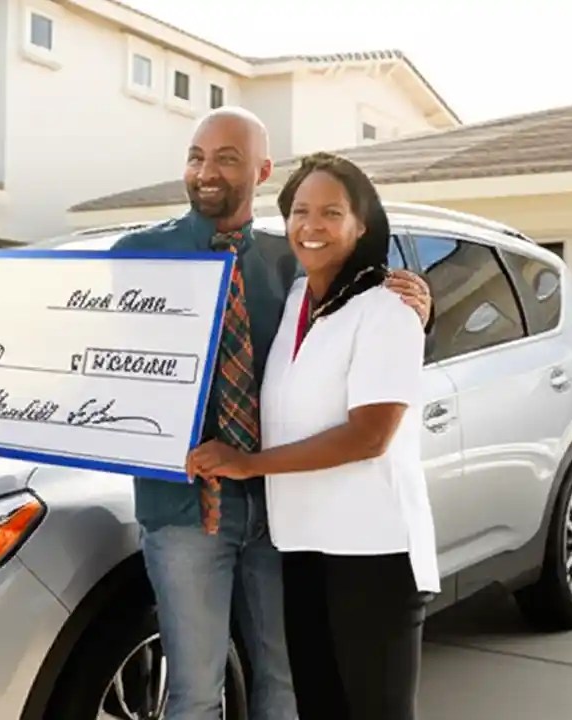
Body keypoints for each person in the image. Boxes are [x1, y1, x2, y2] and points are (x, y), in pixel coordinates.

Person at [0, 109, 434, 720]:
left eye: (226, 158)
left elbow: (352, 315)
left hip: (281, 515)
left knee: (286, 680)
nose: (206, 171)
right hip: (182, 510)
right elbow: (68, 356)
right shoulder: (140, 254)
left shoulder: (289, 263)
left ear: (263, 171)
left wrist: (414, 306)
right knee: (193, 692)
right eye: (196, 156)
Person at [186, 151, 439, 720]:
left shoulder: (389, 306)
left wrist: (249, 464)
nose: (311, 226)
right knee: (321, 707)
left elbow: (369, 436)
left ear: (362, 224)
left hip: (372, 551)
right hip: (302, 545)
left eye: (331, 212)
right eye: (300, 211)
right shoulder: (300, 298)